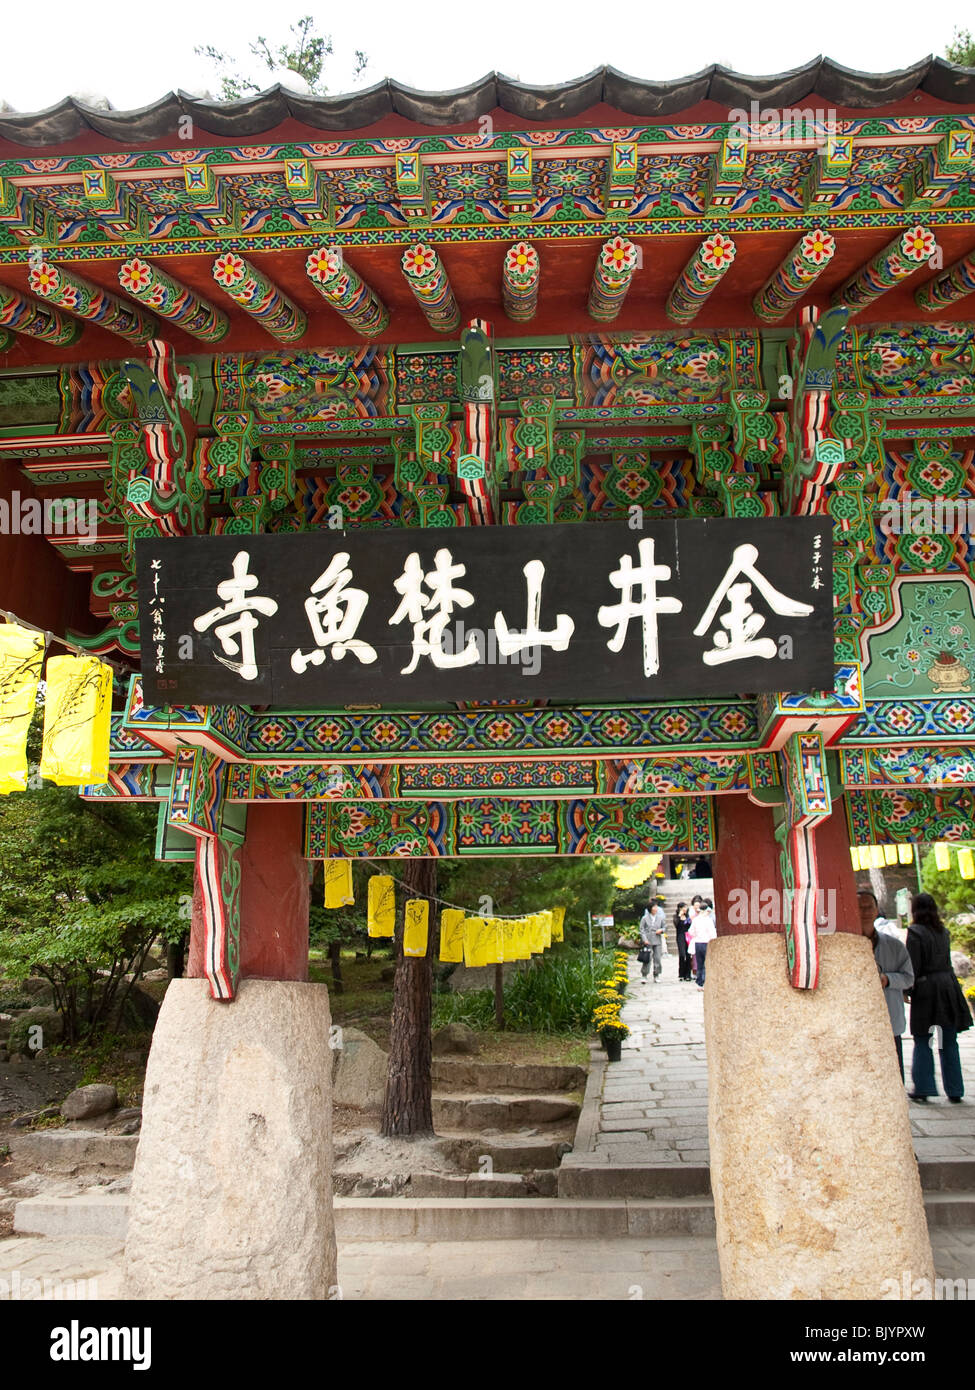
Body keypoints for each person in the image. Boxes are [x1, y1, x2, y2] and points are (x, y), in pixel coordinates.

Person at [906, 892, 972, 1103]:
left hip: (926, 988)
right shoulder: (943, 931)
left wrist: (907, 989)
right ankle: (955, 1089)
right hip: (948, 987)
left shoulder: (914, 932)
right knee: (948, 1041)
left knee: (923, 1039)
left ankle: (924, 1087)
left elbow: (913, 966)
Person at [858, 889, 914, 1082]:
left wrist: (887, 979)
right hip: (858, 1022)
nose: (865, 911)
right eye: (860, 907)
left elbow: (908, 978)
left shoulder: (894, 946)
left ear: (876, 910)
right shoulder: (846, 945)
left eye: (869, 907)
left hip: (890, 1019)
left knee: (894, 1076)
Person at [638, 897, 666, 982]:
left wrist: (661, 930)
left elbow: (664, 927)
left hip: (657, 940)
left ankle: (656, 975)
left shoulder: (660, 918)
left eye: (656, 907)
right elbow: (641, 929)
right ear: (650, 908)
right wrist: (644, 939)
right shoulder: (645, 918)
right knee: (647, 958)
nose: (656, 909)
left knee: (657, 958)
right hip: (648, 939)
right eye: (654, 907)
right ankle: (644, 974)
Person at [692, 897, 716, 988]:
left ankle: (699, 982)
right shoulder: (708, 920)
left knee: (699, 963)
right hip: (706, 942)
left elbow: (691, 932)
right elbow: (712, 933)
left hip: (698, 942)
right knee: (706, 963)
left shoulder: (695, 920)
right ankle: (704, 981)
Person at [674, 902, 692, 982]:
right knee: (682, 954)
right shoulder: (676, 917)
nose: (685, 909)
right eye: (683, 907)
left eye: (686, 907)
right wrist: (679, 916)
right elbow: (676, 924)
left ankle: (688, 974)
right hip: (680, 936)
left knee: (688, 955)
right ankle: (681, 974)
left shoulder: (687, 916)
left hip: (688, 936)